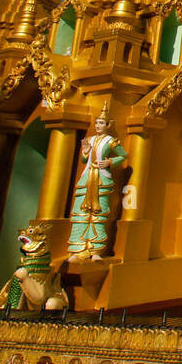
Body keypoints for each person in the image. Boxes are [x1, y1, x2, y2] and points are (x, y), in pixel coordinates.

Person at [68, 103, 127, 262]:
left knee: (98, 214)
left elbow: (123, 155)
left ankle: (96, 250)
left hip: (102, 178)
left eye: (102, 123)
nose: (98, 126)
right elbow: (83, 160)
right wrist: (85, 153)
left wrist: (109, 162)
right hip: (87, 177)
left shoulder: (111, 141)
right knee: (81, 213)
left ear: (108, 125)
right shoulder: (89, 140)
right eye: (97, 123)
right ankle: (78, 249)